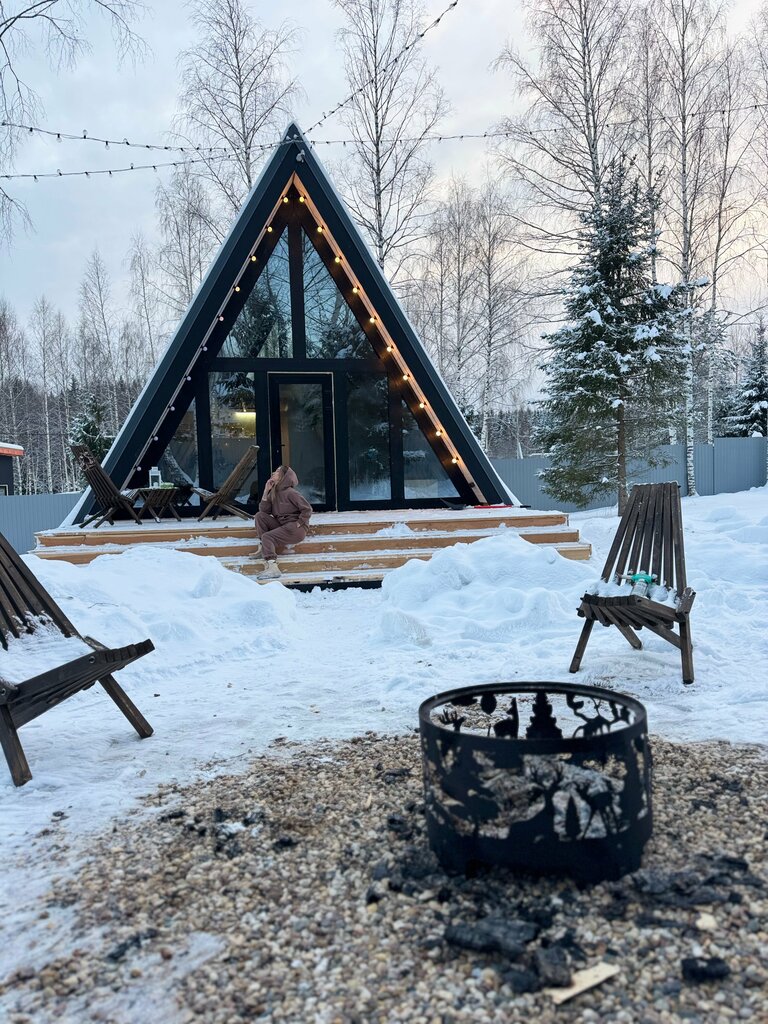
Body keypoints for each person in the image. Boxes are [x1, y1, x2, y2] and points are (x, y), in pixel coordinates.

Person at [254, 466, 312, 579]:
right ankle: (265, 548)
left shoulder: (291, 493)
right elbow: (264, 511)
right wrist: (266, 491)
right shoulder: (274, 492)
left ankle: (273, 568)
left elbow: (307, 509)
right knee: (259, 516)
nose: (273, 473)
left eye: (277, 472)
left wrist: (299, 523)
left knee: (267, 537)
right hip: (282, 525)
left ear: (284, 477)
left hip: (294, 529)